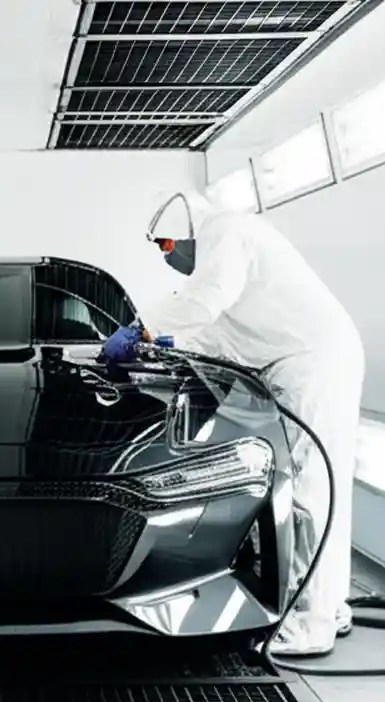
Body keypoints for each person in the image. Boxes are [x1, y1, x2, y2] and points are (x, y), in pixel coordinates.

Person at [120, 190, 365, 657]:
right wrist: (160, 345)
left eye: (166, 246)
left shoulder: (227, 233)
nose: (167, 257)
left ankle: (309, 625)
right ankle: (328, 605)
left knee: (310, 493)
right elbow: (218, 335)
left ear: (186, 232)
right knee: (314, 487)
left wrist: (141, 329)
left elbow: (205, 303)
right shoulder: (232, 245)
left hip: (315, 367)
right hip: (299, 364)